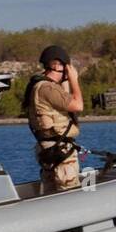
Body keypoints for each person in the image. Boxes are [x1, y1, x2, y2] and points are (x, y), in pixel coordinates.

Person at [25, 45, 85, 194]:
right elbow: (78, 105)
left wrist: (65, 81)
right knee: (69, 192)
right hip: (59, 150)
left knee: (51, 192)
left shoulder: (40, 85)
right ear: (57, 65)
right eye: (66, 65)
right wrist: (74, 80)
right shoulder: (48, 88)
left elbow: (63, 98)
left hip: (50, 148)